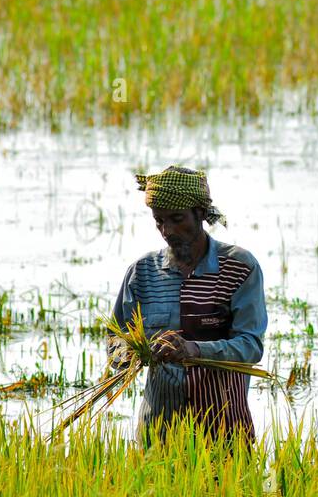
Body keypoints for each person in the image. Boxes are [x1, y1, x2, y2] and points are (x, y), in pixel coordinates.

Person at [111, 165, 268, 445]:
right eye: (159, 221)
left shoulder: (239, 267)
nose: (167, 230)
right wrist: (134, 353)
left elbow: (251, 346)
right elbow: (116, 342)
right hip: (158, 433)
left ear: (200, 214)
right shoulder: (143, 273)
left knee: (229, 490)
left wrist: (193, 349)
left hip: (224, 430)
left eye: (176, 219)